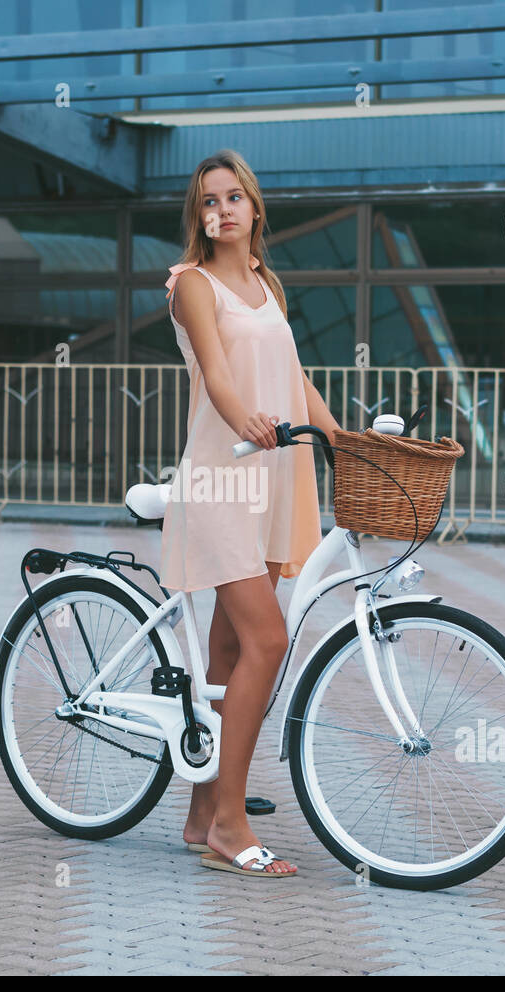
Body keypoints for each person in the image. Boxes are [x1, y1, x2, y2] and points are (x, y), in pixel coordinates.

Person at [158, 149, 341, 878]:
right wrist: (247, 423)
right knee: (267, 641)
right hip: (222, 478)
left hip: (273, 478)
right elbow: (220, 377)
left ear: (255, 207)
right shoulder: (193, 286)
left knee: (234, 653)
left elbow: (293, 377)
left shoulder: (266, 283)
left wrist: (340, 441)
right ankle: (232, 827)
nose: (222, 211)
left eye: (233, 198)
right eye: (208, 202)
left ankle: (203, 814)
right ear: (198, 216)